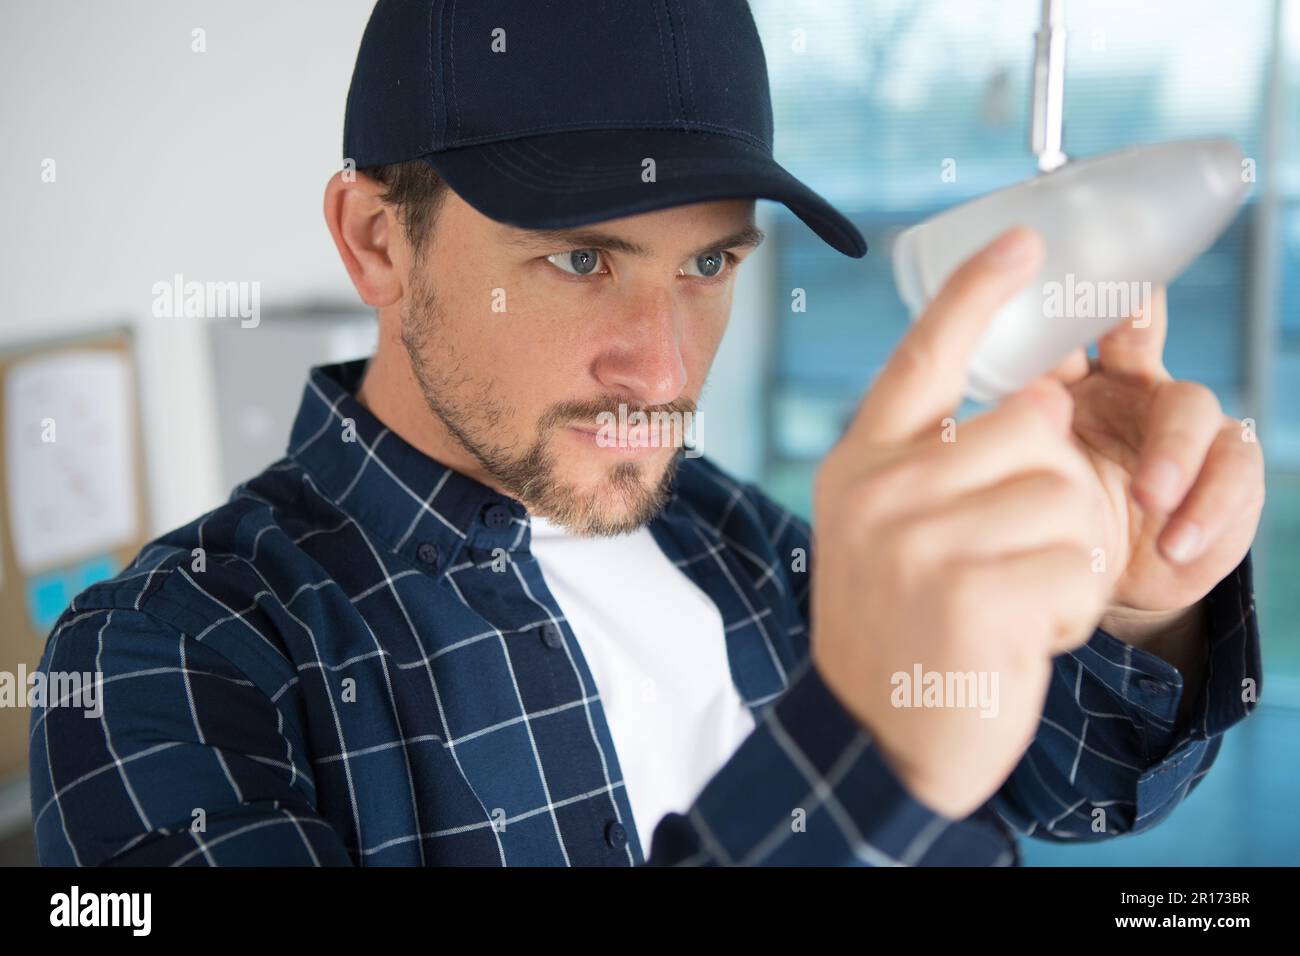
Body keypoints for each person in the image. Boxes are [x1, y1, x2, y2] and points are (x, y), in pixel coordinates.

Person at [30, 0, 1262, 866]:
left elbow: (1079, 786)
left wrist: (1137, 591)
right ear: (375, 240)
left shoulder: (735, 533)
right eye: (579, 257)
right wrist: (865, 765)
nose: (663, 366)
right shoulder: (169, 652)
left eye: (711, 261)